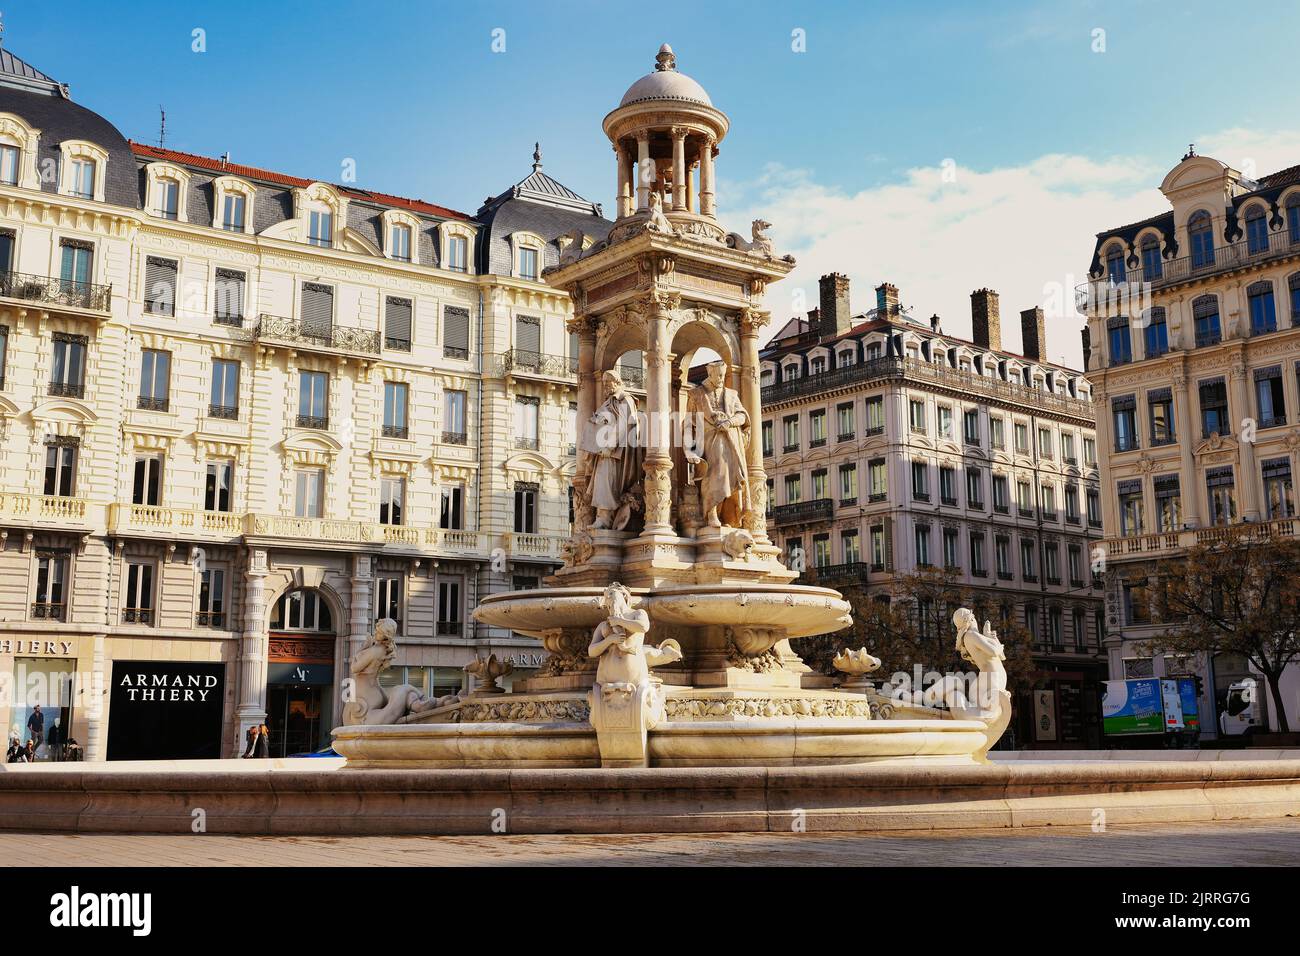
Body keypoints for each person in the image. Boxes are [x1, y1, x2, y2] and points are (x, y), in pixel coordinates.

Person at [685, 361, 751, 528]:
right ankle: (711, 512)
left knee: (730, 475)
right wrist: (690, 451)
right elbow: (688, 424)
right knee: (715, 473)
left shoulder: (731, 394)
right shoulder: (696, 394)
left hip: (730, 439)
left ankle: (725, 516)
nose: (722, 378)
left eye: (723, 374)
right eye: (719, 375)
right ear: (710, 374)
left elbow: (743, 416)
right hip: (708, 439)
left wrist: (730, 422)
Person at [581, 369, 644, 530]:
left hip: (616, 453)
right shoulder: (609, 402)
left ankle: (605, 519)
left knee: (605, 482)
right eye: (603, 384)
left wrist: (610, 446)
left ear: (617, 382)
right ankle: (602, 517)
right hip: (604, 452)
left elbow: (624, 425)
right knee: (601, 482)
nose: (605, 387)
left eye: (608, 383)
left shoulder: (625, 400)